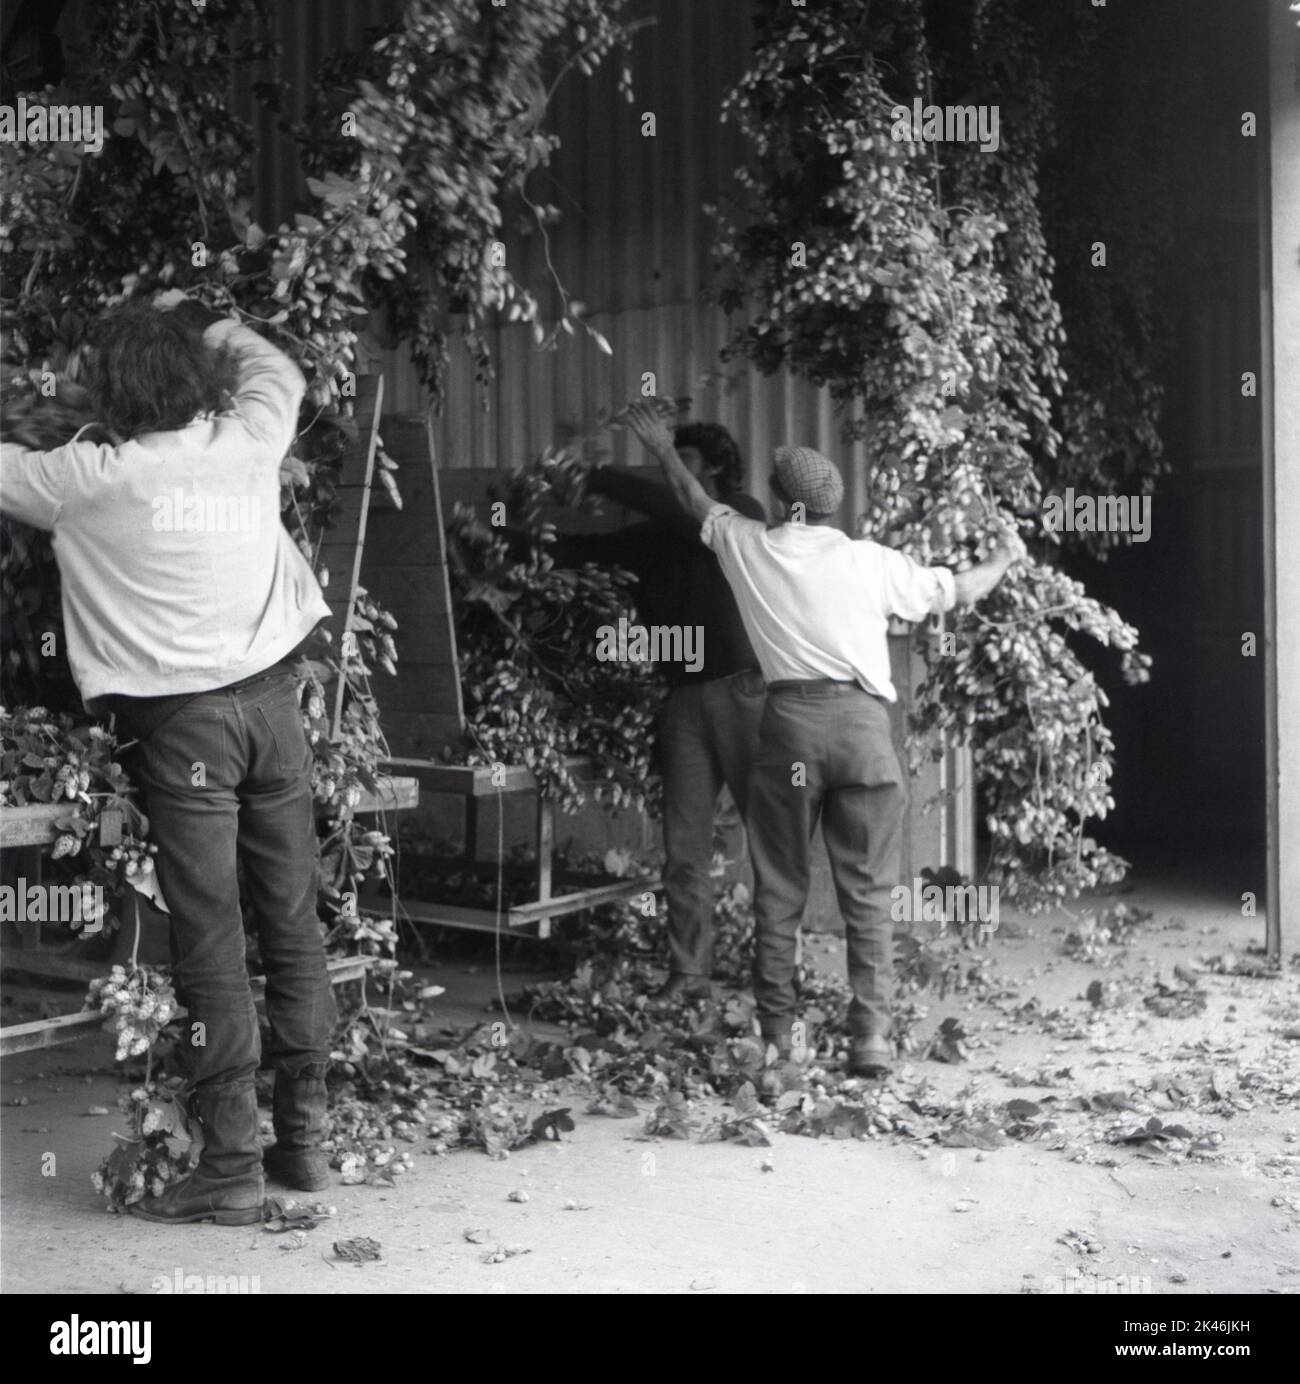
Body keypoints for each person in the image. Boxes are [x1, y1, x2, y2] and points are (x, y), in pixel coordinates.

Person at [0, 293, 335, 1223]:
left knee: (213, 938)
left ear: (109, 395)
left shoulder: (82, 478)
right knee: (293, 921)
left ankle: (229, 1167)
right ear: (198, 383)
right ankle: (304, 1145)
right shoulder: (248, 440)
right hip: (275, 711)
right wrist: (211, 323)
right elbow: (283, 373)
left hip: (183, 731)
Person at [624, 404, 1022, 1075]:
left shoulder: (750, 545)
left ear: (781, 502)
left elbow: (695, 501)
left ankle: (779, 1034)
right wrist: (1006, 555)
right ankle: (871, 1038)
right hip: (863, 732)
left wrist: (662, 446)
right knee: (868, 894)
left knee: (780, 888)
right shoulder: (872, 563)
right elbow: (964, 589)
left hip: (790, 735)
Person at [544, 420, 767, 1002]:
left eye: (687, 458)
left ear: (713, 469)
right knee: (684, 847)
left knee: (771, 841)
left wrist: (595, 475)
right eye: (677, 458)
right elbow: (592, 551)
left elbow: (673, 505)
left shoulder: (739, 511)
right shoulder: (663, 533)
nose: (678, 469)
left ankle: (774, 979)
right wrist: (502, 541)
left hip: (745, 690)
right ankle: (689, 973)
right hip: (684, 701)